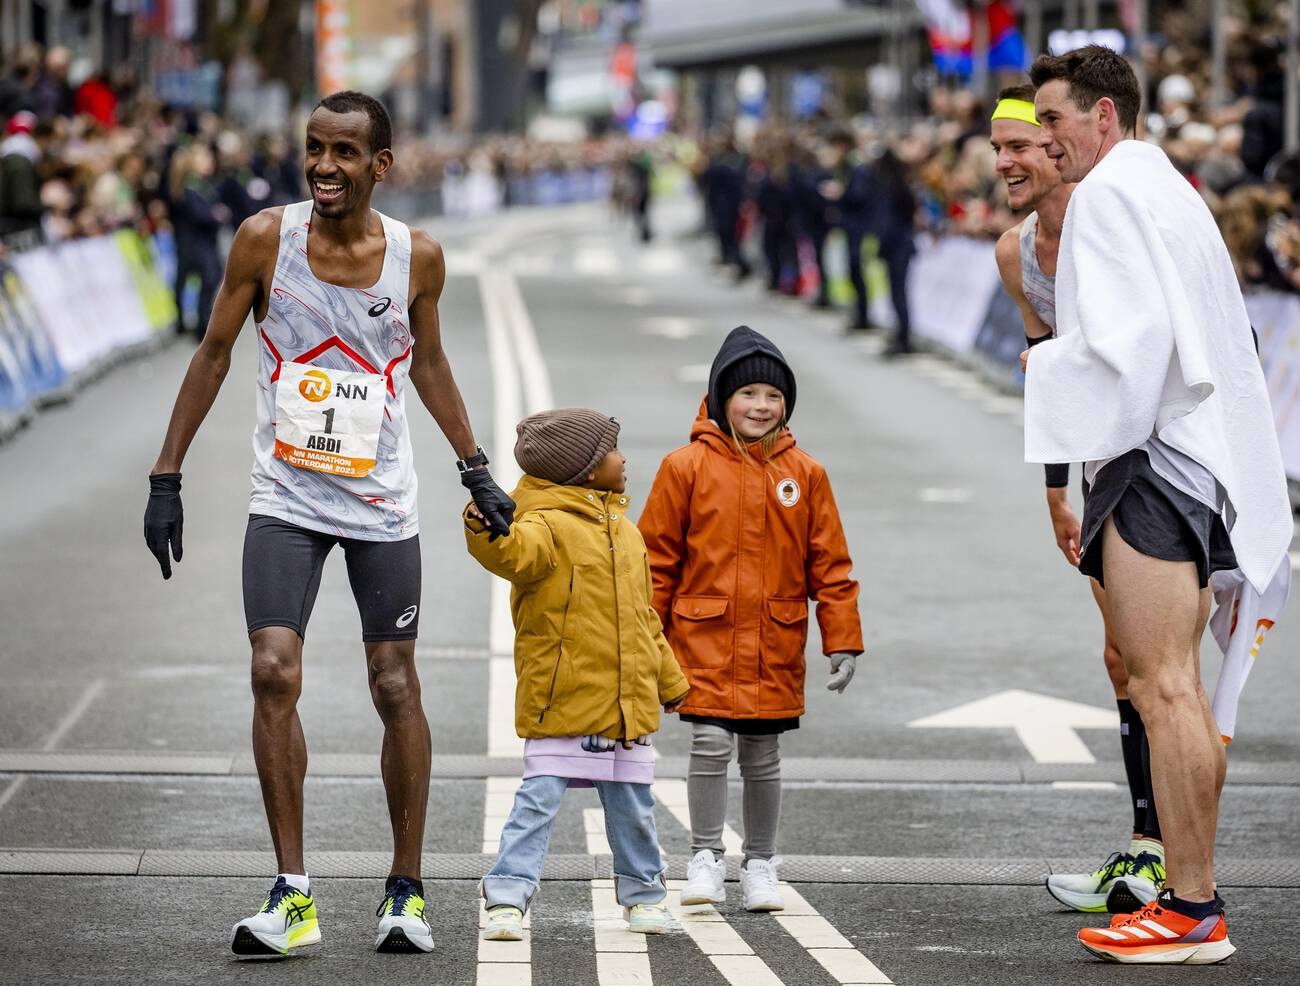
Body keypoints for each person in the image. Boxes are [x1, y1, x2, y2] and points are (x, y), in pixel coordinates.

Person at [142, 90, 515, 957]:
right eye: (314, 148)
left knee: (394, 684)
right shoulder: (264, 241)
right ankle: (293, 895)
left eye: (344, 152)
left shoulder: (417, 259)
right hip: (287, 495)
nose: (323, 165)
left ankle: (406, 891)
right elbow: (214, 353)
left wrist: (475, 465)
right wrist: (167, 473)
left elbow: (429, 363)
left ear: (381, 165)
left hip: (380, 498)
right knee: (272, 671)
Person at [1024, 47, 1291, 963]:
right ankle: (1190, 901)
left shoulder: (1107, 194)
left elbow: (1129, 351)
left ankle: (1191, 908)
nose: (1042, 138)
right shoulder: (1168, 187)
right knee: (1182, 690)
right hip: (1201, 462)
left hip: (1153, 461)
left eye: (1053, 118)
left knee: (1163, 687)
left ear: (1104, 115)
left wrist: (1043, 366)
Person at [990, 84, 1165, 915]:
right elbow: (1049, 375)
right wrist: (1057, 492)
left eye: (1021, 143)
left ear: (1062, 145)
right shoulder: (1013, 253)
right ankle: (1146, 848)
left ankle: (1168, 865)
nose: (1004, 162)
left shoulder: (1121, 222)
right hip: (1101, 467)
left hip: (1169, 460)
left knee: (1164, 667)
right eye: (998, 147)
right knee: (1122, 658)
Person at [639, 325, 864, 912]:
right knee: (710, 743)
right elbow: (655, 563)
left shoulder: (806, 474)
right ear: (722, 398)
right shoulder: (684, 467)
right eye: (747, 394)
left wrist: (842, 640)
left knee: (762, 754)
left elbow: (830, 564)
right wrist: (646, 641)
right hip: (703, 638)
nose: (761, 406)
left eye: (773, 396)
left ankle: (761, 862)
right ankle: (705, 856)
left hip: (773, 641)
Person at [465, 408, 690, 941]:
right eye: (613, 451)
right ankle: (507, 898)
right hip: (561, 697)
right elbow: (510, 552)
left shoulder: (627, 534)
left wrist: (669, 680)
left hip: (626, 703)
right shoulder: (542, 526)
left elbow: (643, 618)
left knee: (633, 807)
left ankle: (645, 897)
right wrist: (481, 520)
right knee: (538, 801)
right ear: (586, 468)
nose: (624, 459)